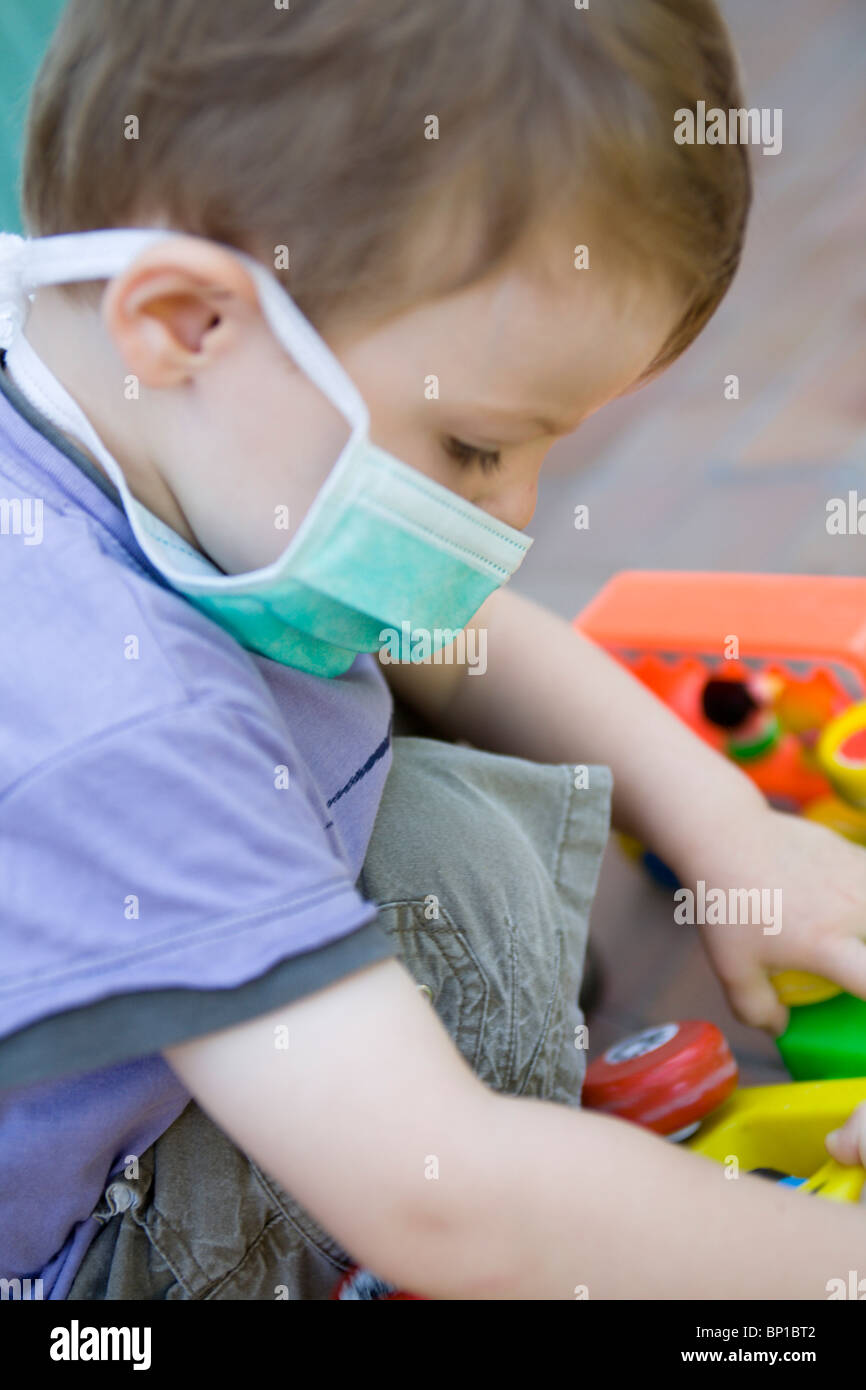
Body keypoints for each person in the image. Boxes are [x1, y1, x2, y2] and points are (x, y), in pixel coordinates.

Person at [1, 0, 864, 1302]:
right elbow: (444, 1200)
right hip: (97, 1259)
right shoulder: (115, 715)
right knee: (467, 895)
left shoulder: (107, 369)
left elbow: (447, 637)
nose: (514, 510)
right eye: (474, 444)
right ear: (185, 322)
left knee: (452, 848)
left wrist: (725, 824)